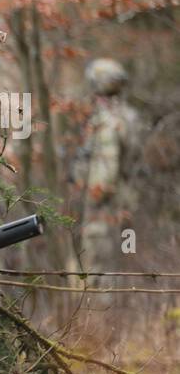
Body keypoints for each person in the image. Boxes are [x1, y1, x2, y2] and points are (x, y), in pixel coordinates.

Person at [71, 59, 145, 281]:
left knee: (98, 260)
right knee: (126, 249)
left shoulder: (106, 120)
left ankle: (103, 308)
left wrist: (92, 201)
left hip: (104, 203)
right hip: (127, 197)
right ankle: (130, 298)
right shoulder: (128, 115)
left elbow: (107, 166)